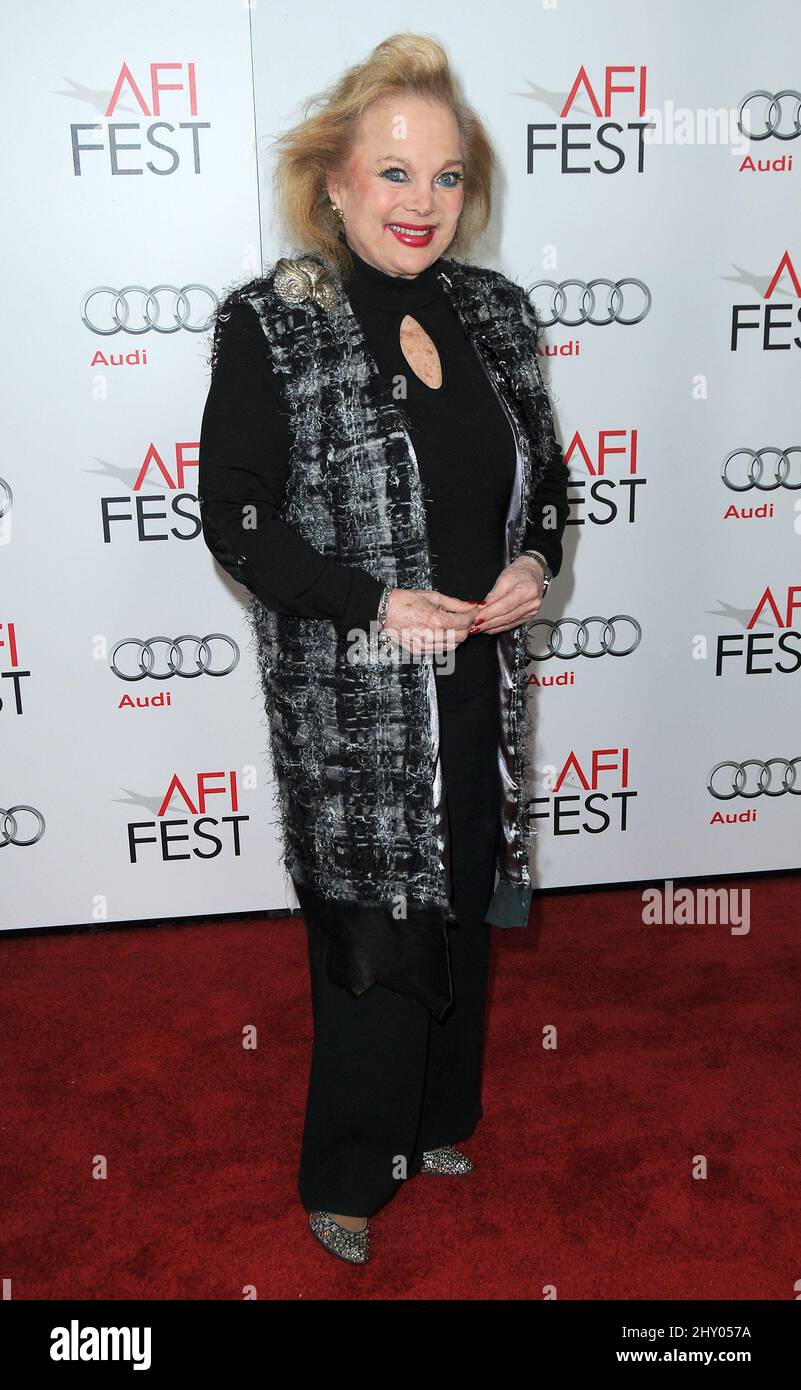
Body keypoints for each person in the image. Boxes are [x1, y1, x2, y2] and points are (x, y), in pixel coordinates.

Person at [198, 32, 569, 1265]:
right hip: (356, 696)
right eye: (395, 174)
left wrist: (533, 566)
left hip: (480, 671)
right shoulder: (274, 324)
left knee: (461, 896)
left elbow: (551, 485)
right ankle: (349, 1172)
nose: (423, 203)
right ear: (337, 182)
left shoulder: (497, 314)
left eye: (448, 176)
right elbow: (237, 516)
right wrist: (371, 603)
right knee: (375, 925)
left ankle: (436, 1114)